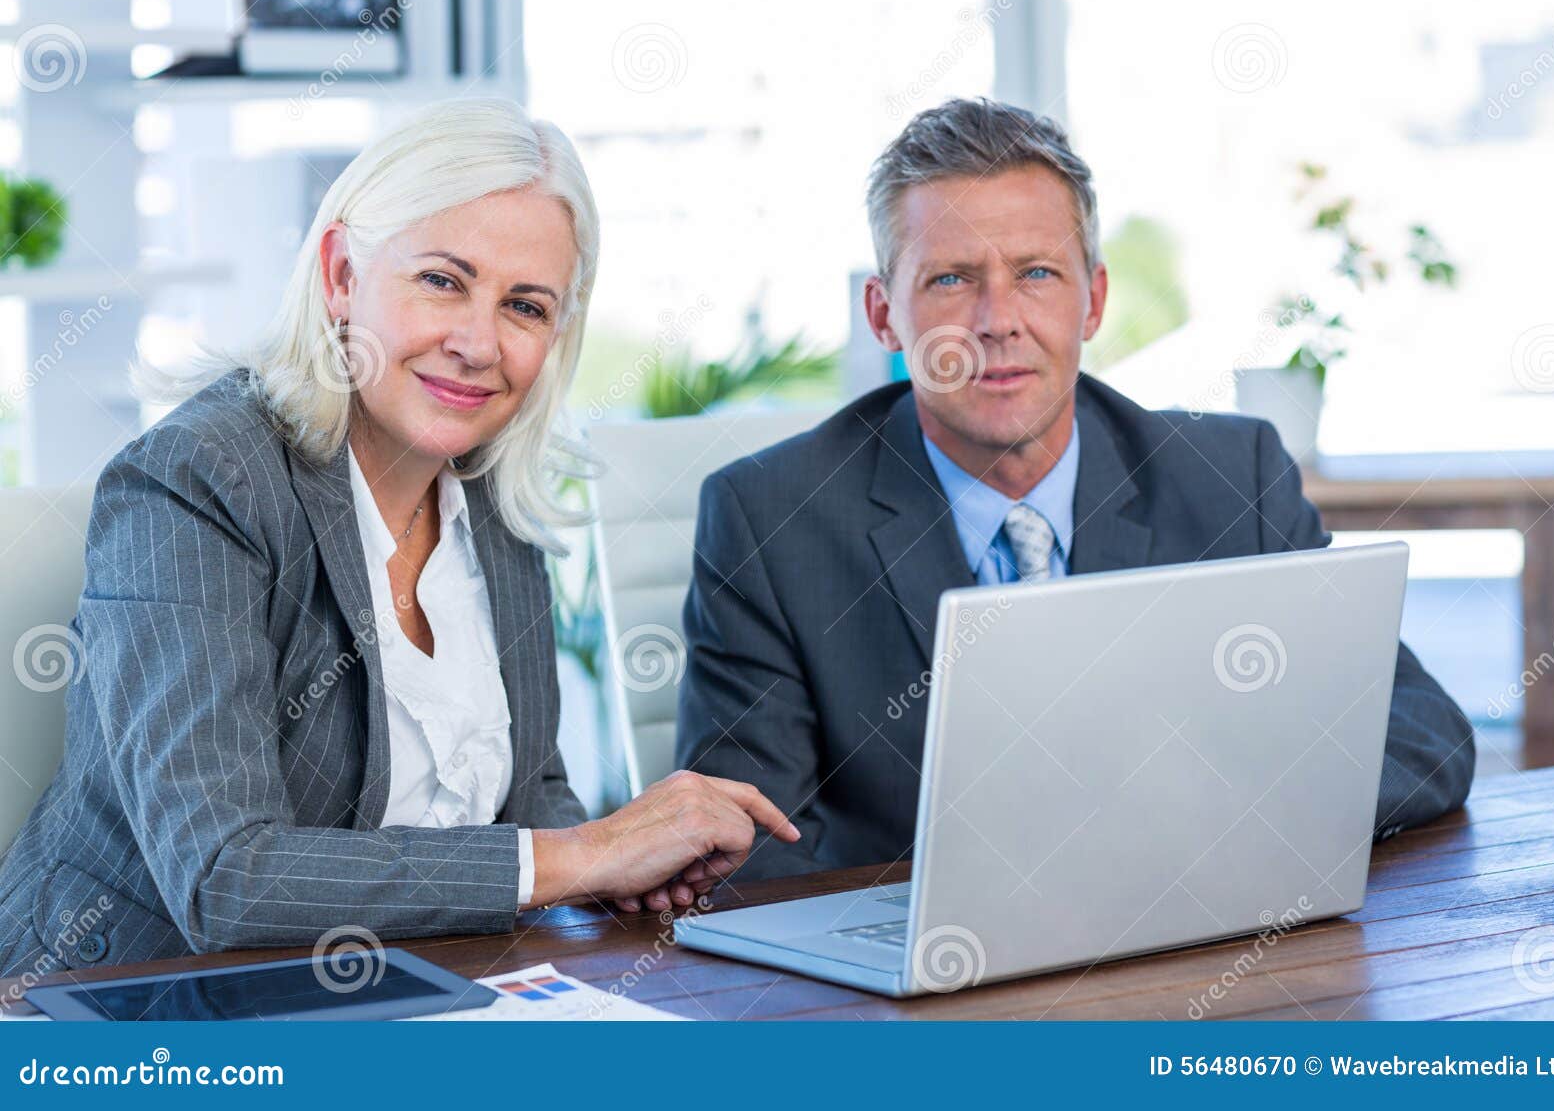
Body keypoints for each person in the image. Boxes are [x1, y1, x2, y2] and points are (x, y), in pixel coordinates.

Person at [0, 98, 796, 977]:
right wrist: (581, 855)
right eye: (443, 281)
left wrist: (628, 865)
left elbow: (527, 799)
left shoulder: (492, 499)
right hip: (134, 999)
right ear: (341, 274)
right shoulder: (197, 479)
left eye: (525, 307)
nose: (477, 343)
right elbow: (228, 877)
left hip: (417, 986)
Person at [676, 97, 1474, 880]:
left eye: (1036, 273)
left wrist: (1192, 829)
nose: (998, 319)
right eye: (952, 279)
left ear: (1091, 300)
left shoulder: (1236, 482)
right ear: (885, 315)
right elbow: (744, 842)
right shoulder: (769, 520)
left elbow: (1419, 733)